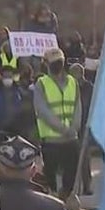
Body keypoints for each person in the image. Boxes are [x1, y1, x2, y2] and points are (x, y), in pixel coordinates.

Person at [32, 47, 81, 196]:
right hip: (51, 140)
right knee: (50, 176)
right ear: (46, 64)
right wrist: (63, 129)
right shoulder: (41, 83)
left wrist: (74, 128)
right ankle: (52, 197)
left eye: (59, 62)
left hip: (71, 139)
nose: (57, 65)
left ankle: (65, 197)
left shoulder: (73, 82)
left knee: (70, 176)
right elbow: (42, 111)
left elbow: (78, 108)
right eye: (54, 62)